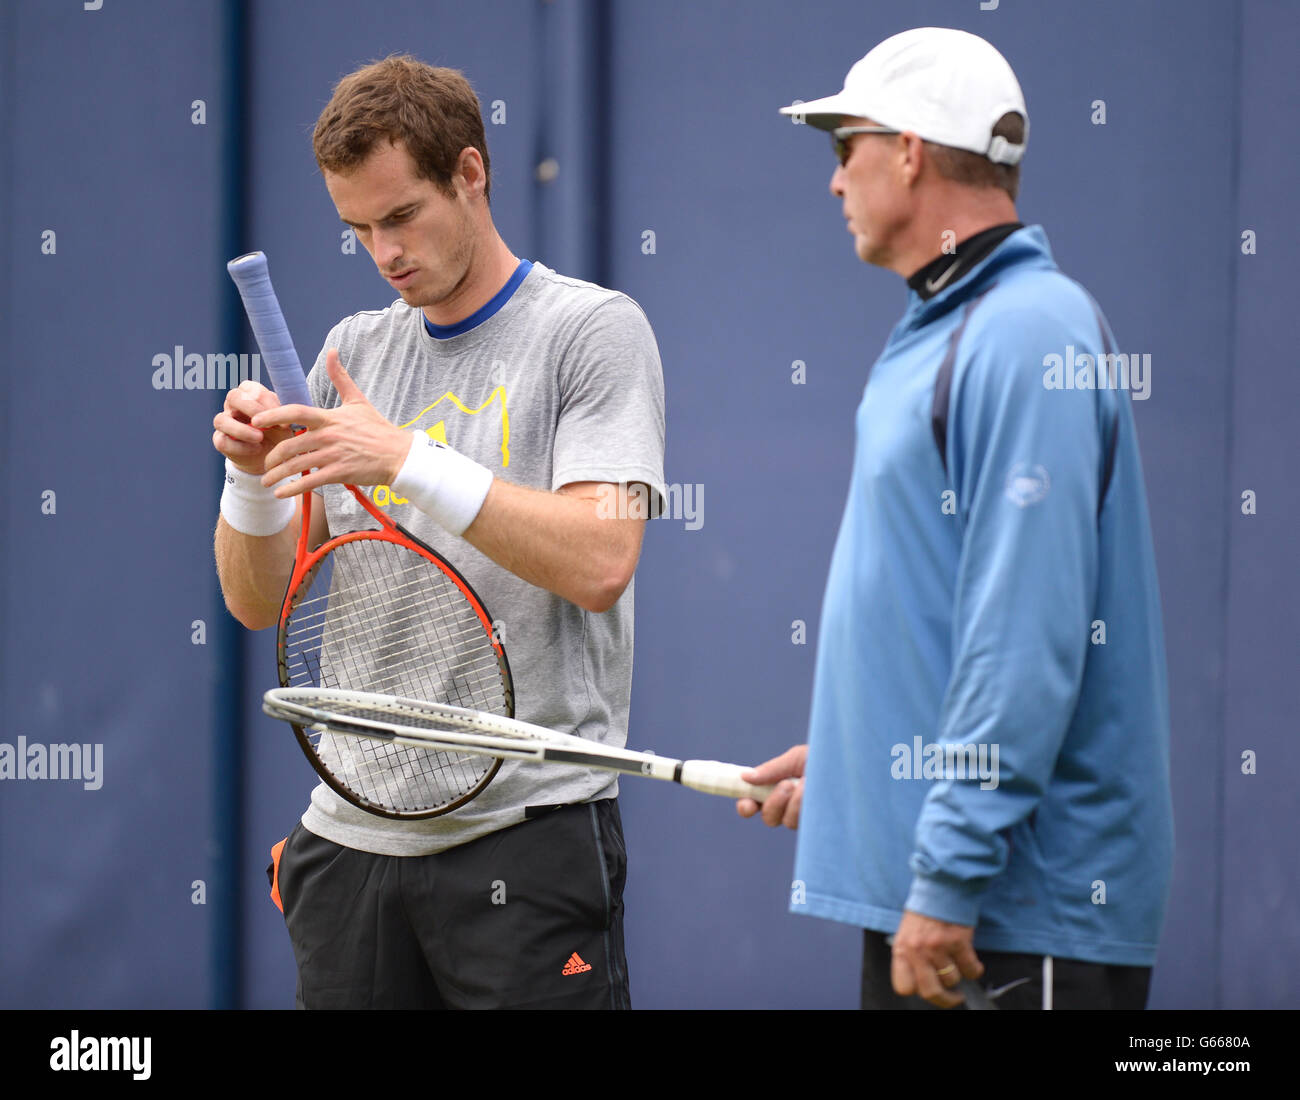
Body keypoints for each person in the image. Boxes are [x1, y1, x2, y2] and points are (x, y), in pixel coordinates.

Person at [211, 56, 665, 1009]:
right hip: (345, 846)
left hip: (528, 838)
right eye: (359, 229)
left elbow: (601, 558)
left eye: (402, 215)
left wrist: (407, 459)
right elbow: (257, 603)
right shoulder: (349, 354)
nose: (385, 252)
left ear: (471, 173)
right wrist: (249, 482)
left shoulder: (594, 330)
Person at [739, 27, 1173, 1011]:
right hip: (953, 896)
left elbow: (1025, 639)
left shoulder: (1025, 330)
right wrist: (864, 761)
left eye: (842, 147)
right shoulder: (956, 325)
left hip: (1008, 918)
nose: (834, 182)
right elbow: (953, 612)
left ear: (908, 149)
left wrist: (945, 873)